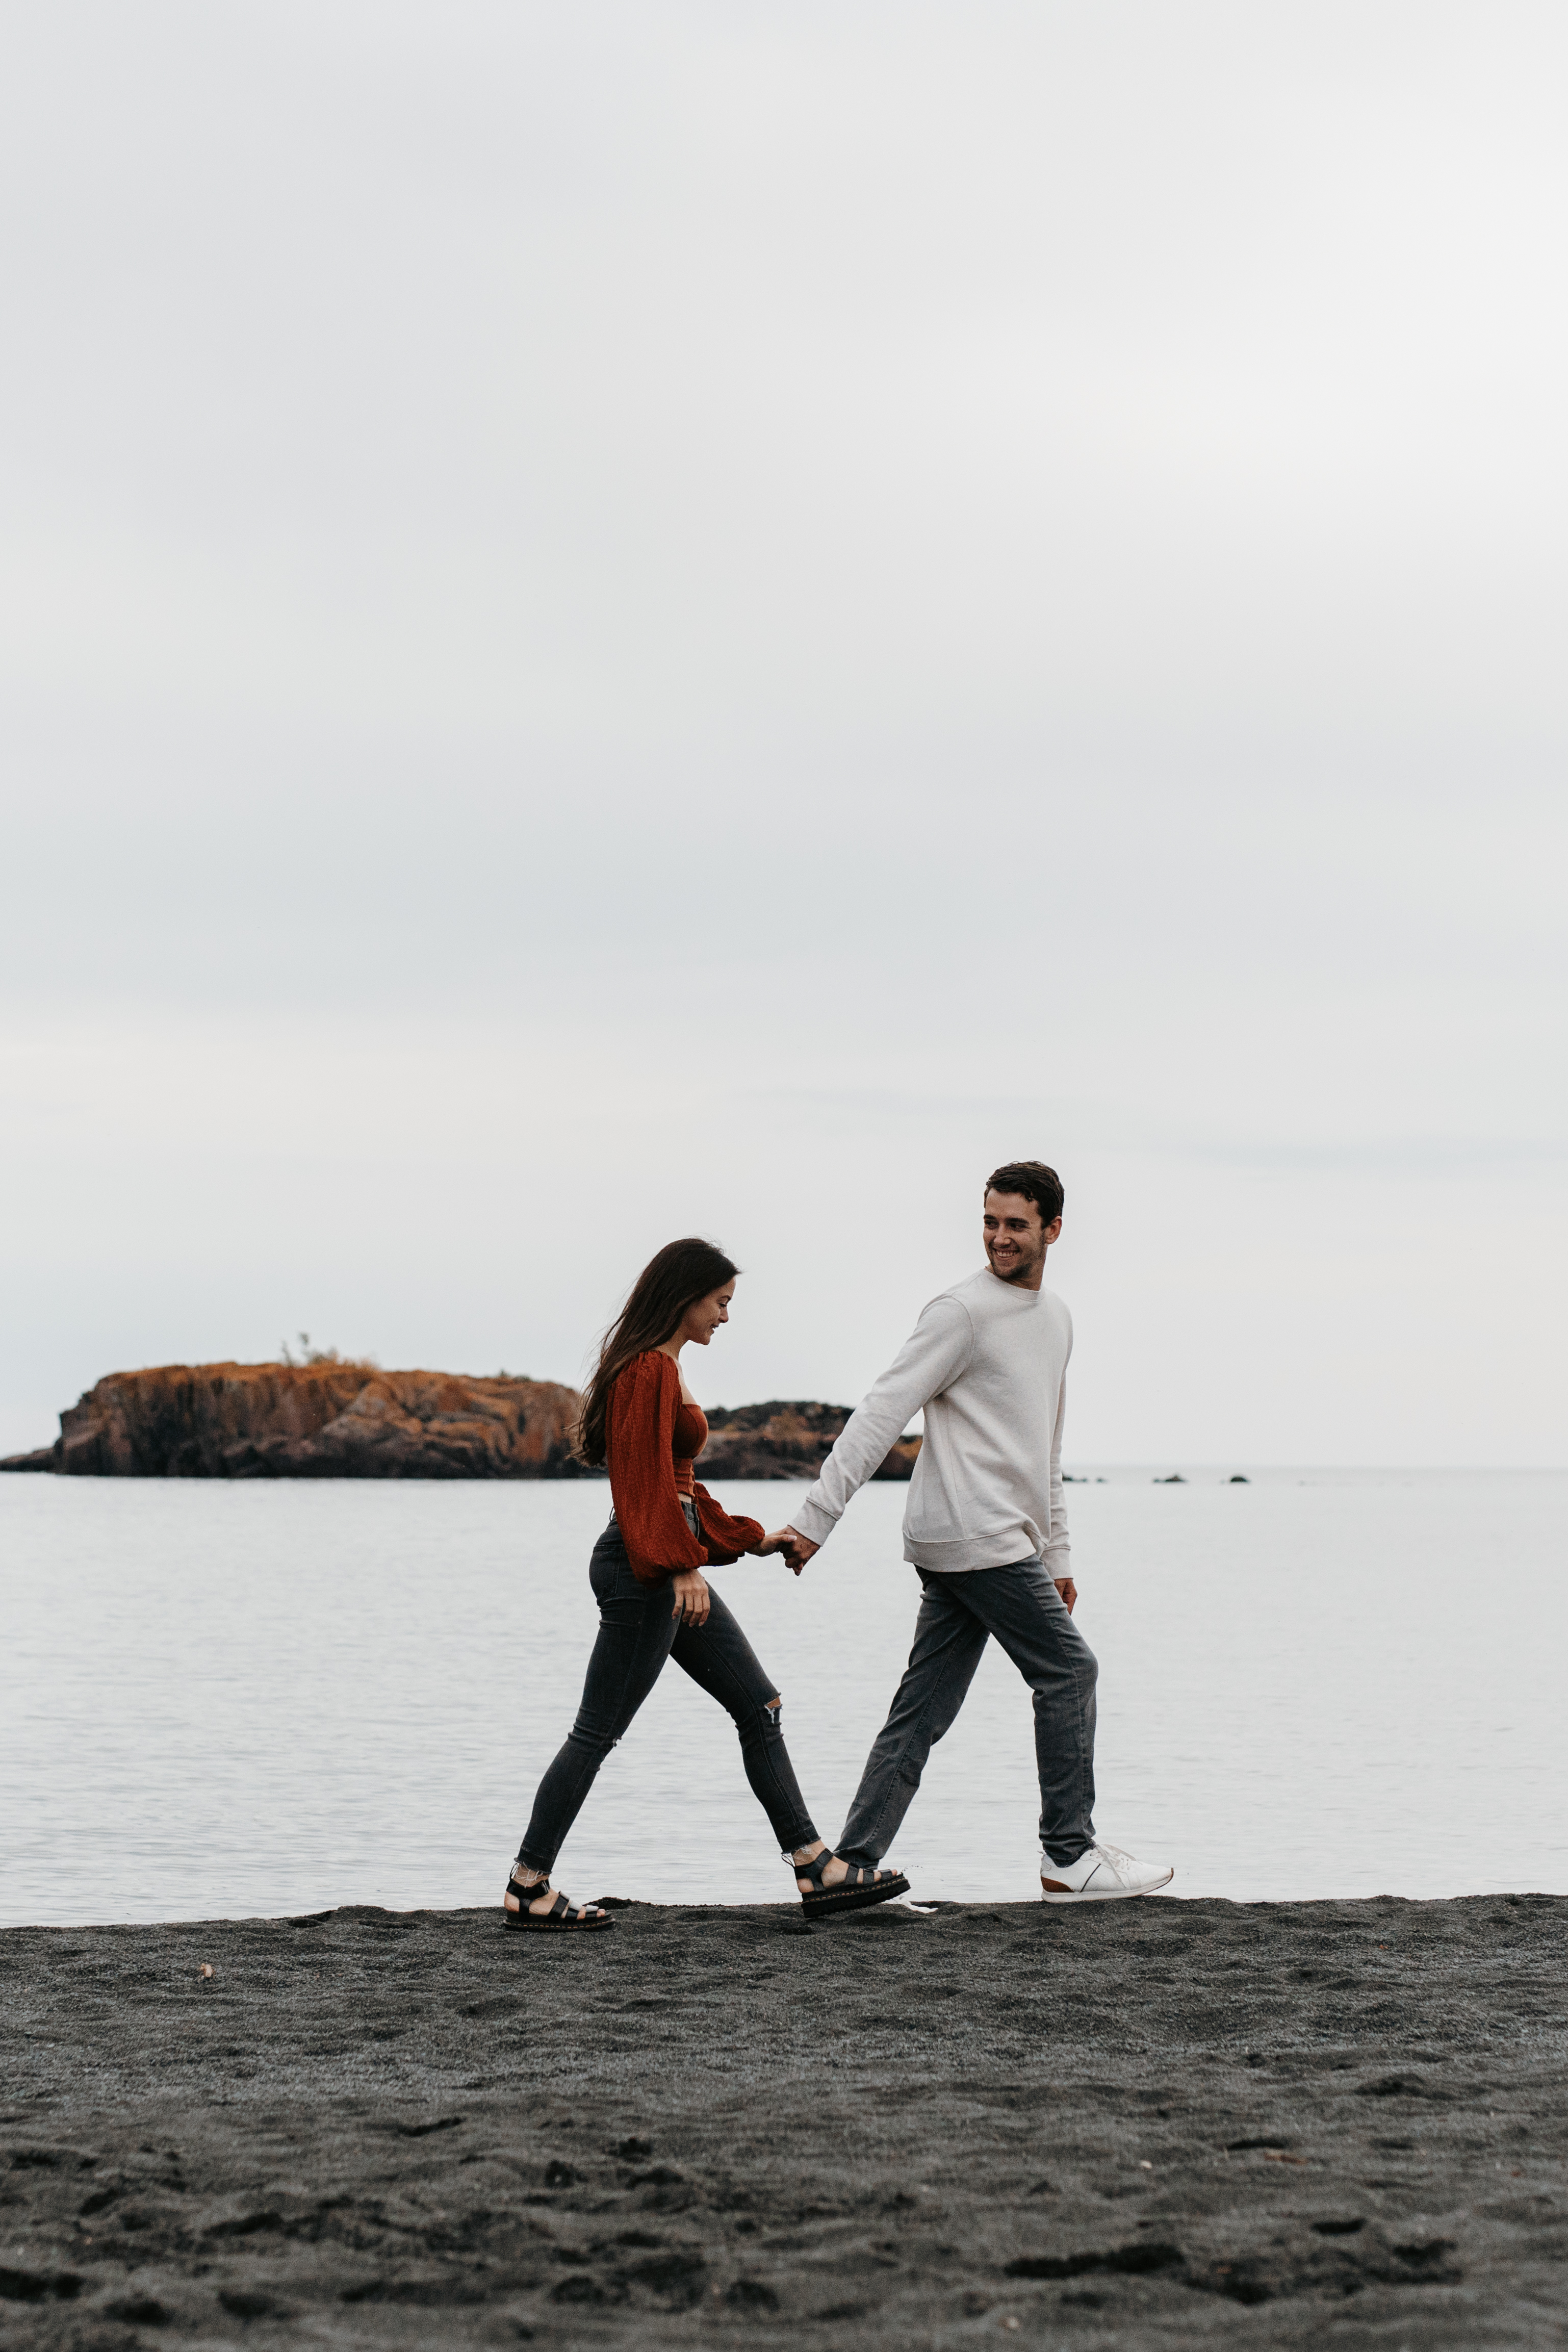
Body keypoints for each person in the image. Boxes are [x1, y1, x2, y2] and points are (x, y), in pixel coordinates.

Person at [767, 1163, 1172, 1904]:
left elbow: (1044, 1449)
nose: (999, 1237)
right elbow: (882, 1412)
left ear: (1053, 1229)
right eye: (990, 1221)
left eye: (1016, 1224)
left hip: (988, 1539)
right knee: (1070, 1672)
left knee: (922, 1710)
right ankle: (1069, 1855)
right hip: (974, 1531)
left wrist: (1058, 1554)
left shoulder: (1056, 1320)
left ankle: (849, 1865)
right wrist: (818, 1519)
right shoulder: (960, 1313)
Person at [504, 1237, 909, 1931]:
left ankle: (813, 1864)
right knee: (596, 1731)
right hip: (644, 1571)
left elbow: (682, 1488)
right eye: (720, 1302)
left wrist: (754, 1538)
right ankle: (528, 1884)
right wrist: (680, 1564)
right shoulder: (647, 1370)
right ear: (686, 1296)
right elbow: (641, 1485)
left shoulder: (664, 1367)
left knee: (759, 1706)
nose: (726, 1316)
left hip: (657, 1562)